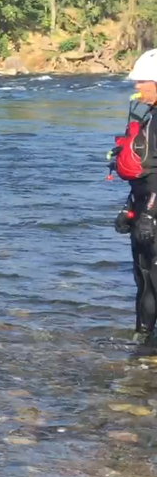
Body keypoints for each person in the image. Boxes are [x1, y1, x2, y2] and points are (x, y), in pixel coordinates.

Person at [112, 49, 157, 343]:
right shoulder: (148, 117)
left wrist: (151, 213)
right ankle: (142, 343)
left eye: (142, 81)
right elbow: (143, 174)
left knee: (153, 279)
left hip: (153, 212)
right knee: (143, 278)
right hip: (143, 207)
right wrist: (129, 209)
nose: (136, 87)